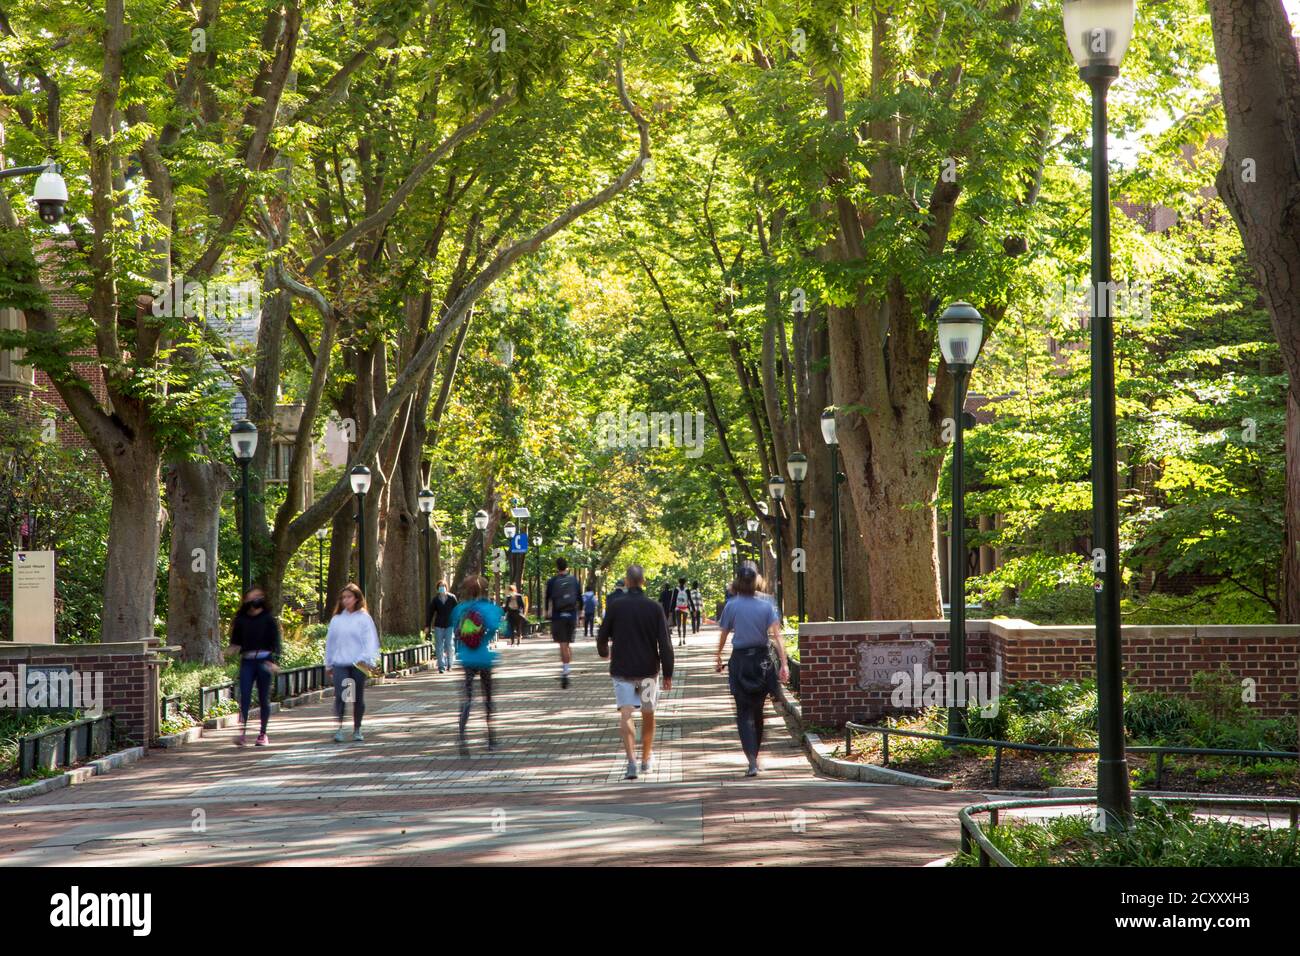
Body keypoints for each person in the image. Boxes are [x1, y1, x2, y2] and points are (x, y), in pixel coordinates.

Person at [597, 564, 674, 780]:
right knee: (648, 713)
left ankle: (631, 762)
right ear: (643, 581)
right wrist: (668, 673)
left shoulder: (615, 606)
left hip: (622, 671)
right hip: (649, 671)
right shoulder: (654, 607)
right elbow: (665, 644)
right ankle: (646, 759)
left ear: (627, 581)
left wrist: (604, 652)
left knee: (626, 713)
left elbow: (602, 635)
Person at [714, 563, 789, 777]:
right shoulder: (767, 604)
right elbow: (777, 636)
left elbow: (724, 634)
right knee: (758, 711)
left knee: (743, 712)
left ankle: (752, 760)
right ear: (757, 579)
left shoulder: (731, 605)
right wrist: (783, 663)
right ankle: (754, 755)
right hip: (762, 661)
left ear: (737, 581)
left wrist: (717, 656)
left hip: (740, 662)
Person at [450, 575, 503, 755]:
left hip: (466, 659)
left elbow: (456, 631)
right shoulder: (491, 609)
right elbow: (501, 629)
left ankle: (462, 737)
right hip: (485, 659)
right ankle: (491, 739)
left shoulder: (459, 609)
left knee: (467, 698)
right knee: (488, 698)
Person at [325, 583, 381, 743]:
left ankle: (357, 728)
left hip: (358, 663)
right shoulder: (337, 619)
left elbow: (370, 641)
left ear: (356, 598)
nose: (346, 600)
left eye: (349, 597)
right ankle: (340, 728)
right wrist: (329, 664)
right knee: (342, 694)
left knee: (357, 697)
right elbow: (331, 642)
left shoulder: (364, 618)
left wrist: (366, 659)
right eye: (343, 597)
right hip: (340, 662)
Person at [227, 586, 282, 747]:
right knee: (244, 696)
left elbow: (276, 643)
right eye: (252, 597)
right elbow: (235, 643)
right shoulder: (241, 620)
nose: (255, 600)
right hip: (247, 661)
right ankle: (242, 732)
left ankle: (262, 734)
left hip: (264, 661)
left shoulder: (268, 619)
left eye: (259, 596)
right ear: (246, 600)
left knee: (264, 698)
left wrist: (274, 661)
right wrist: (228, 652)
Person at [544, 557, 583, 688]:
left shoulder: (552, 581)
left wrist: (546, 611)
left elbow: (547, 598)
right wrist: (580, 612)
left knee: (563, 644)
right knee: (567, 644)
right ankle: (567, 667)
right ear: (567, 567)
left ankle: (565, 670)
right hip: (571, 615)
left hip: (558, 615)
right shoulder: (574, 580)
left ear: (557, 567)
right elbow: (579, 597)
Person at [427, 580, 458, 673]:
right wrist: (427, 625)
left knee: (449, 645)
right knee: (439, 646)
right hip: (438, 625)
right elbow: (430, 613)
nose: (442, 588)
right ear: (438, 589)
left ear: (446, 587)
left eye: (443, 586)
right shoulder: (435, 600)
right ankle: (441, 666)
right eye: (440, 586)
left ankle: (450, 664)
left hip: (449, 625)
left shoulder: (452, 598)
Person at [671, 576, 692, 646]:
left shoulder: (676, 589)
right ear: (685, 582)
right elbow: (690, 600)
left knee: (679, 625)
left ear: (679, 582)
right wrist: (693, 609)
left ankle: (679, 640)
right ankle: (684, 639)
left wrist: (671, 609)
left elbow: (673, 600)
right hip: (685, 608)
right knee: (684, 625)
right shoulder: (687, 590)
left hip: (678, 608)